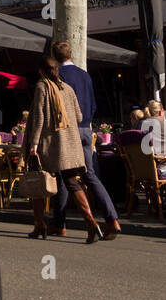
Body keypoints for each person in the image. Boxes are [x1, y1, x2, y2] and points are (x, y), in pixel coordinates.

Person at [25, 56, 104, 242]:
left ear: (41, 71)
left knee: (37, 179)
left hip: (50, 142)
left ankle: (39, 224)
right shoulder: (67, 88)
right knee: (72, 181)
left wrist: (34, 143)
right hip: (69, 142)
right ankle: (91, 223)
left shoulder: (41, 87)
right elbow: (78, 116)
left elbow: (39, 117)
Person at [47, 41, 119, 238]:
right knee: (89, 175)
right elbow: (93, 104)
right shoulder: (85, 75)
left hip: (68, 131)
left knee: (62, 175)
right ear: (71, 54)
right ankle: (112, 218)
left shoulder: (57, 76)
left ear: (54, 57)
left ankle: (60, 223)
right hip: (86, 128)